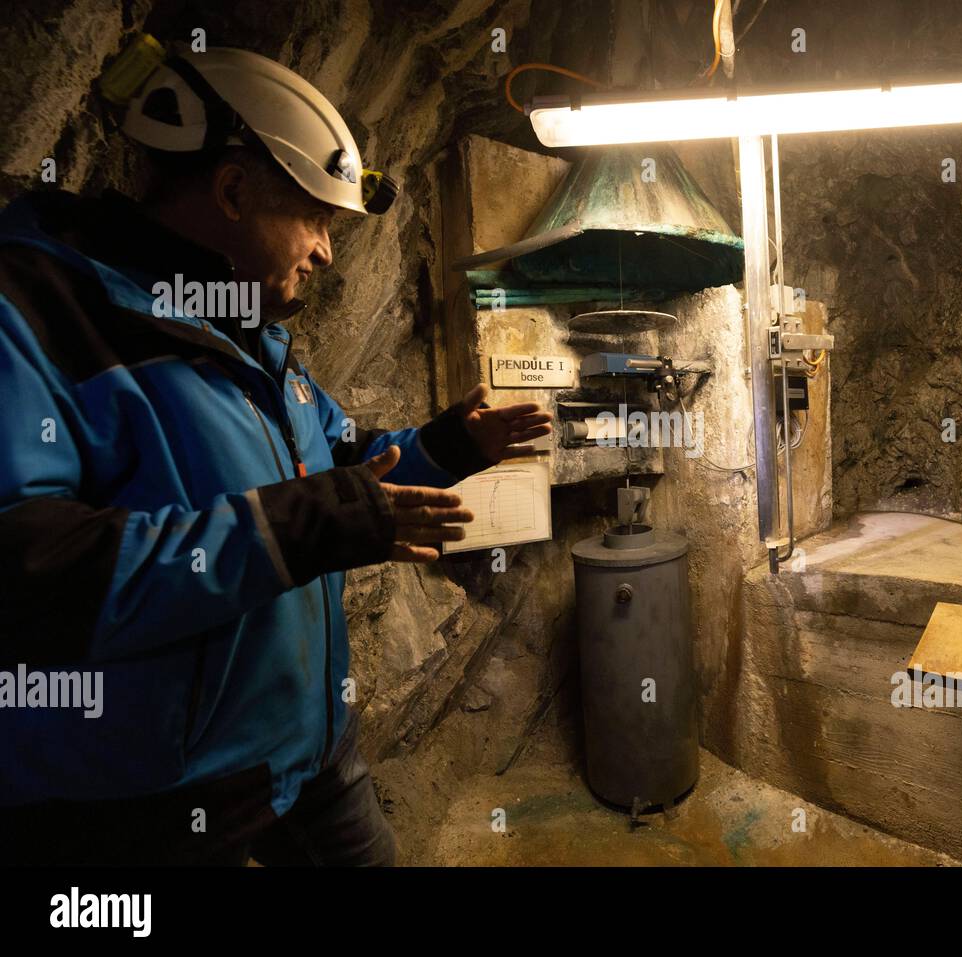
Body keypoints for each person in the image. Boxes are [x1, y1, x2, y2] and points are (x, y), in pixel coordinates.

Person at [0, 44, 552, 865]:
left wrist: (448, 443)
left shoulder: (247, 338)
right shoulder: (40, 316)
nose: (328, 252)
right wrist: (304, 524)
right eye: (318, 219)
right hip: (156, 810)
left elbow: (349, 465)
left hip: (316, 754)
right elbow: (32, 571)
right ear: (232, 190)